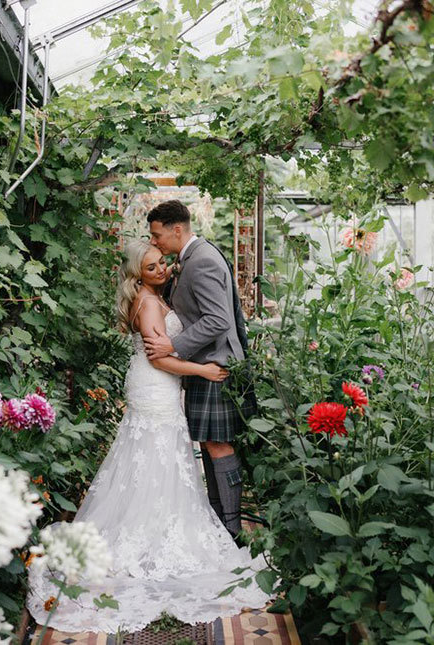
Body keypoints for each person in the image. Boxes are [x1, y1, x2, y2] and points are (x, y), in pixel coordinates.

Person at [25, 239, 270, 633]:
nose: (163, 270)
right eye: (153, 266)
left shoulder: (148, 295)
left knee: (152, 456)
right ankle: (149, 534)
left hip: (156, 385)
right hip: (156, 384)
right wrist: (203, 371)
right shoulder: (150, 301)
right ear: (139, 273)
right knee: (157, 453)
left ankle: (156, 523)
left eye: (163, 263)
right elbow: (159, 356)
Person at [143, 199, 256, 538]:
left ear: (177, 229)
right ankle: (221, 523)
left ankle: (232, 530)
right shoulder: (191, 257)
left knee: (219, 445)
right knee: (210, 443)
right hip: (207, 363)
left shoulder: (201, 261)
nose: (153, 242)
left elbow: (218, 320)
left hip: (215, 365)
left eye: (156, 235)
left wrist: (173, 346)